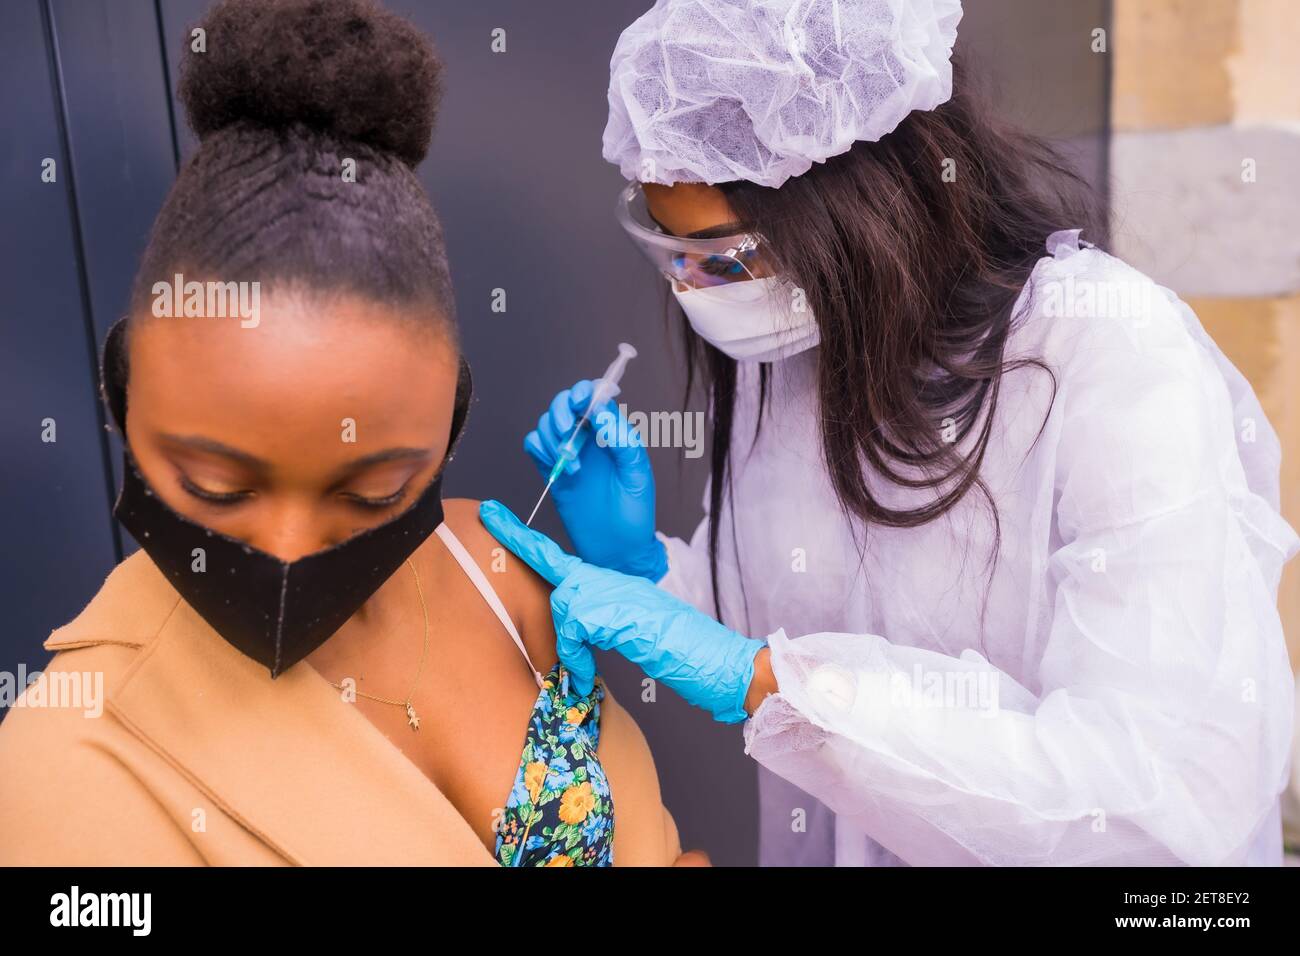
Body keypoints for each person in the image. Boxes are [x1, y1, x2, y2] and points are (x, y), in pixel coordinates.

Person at [482, 0, 1300, 865]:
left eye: (722, 257)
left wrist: (759, 681)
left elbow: (1158, 799)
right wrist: (650, 571)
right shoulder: (796, 349)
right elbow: (784, 633)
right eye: (673, 255)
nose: (694, 293)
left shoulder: (1109, 351)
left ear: (858, 200)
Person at [0, 0, 686, 868]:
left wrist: (643, 580)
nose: (289, 550)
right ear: (121, 397)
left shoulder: (497, 567)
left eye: (372, 493)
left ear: (448, 430)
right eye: (218, 487)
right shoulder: (70, 759)